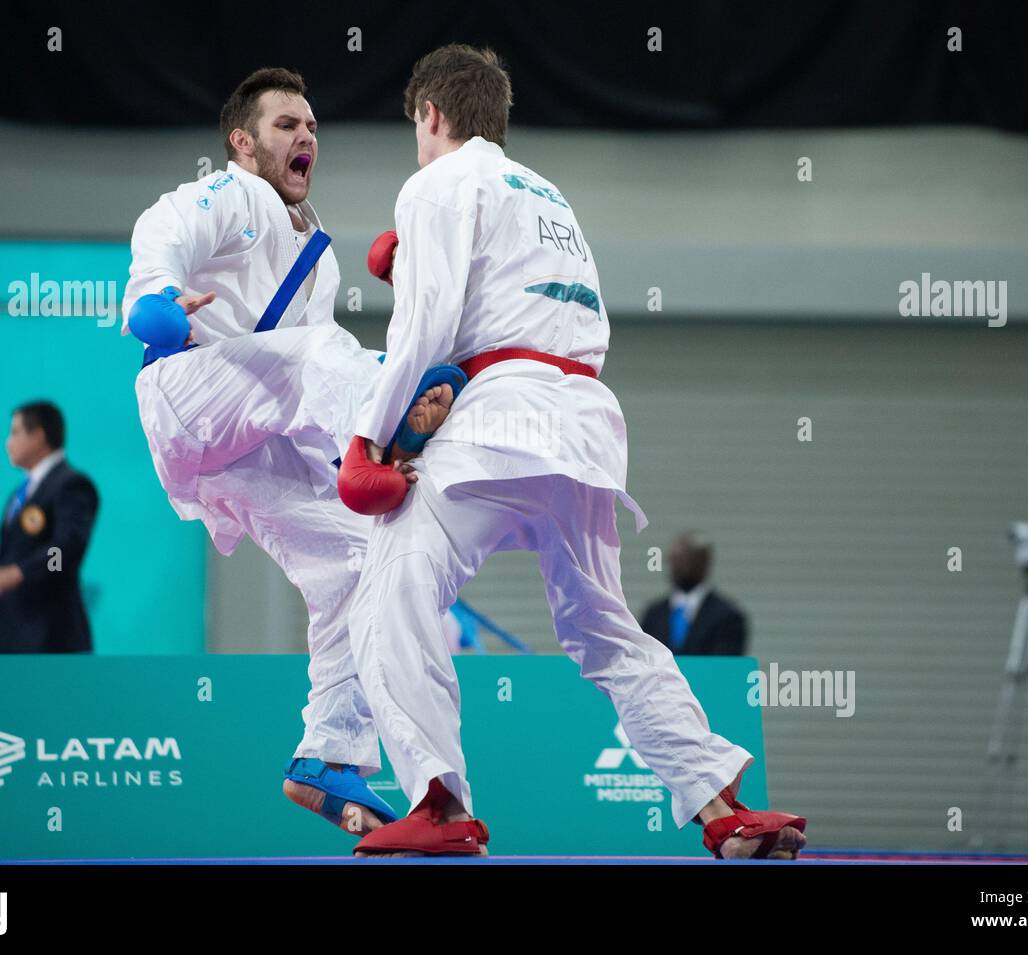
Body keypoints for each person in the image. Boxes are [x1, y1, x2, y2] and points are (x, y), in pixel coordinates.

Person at [338, 45, 806, 859]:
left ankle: (439, 801)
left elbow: (424, 328)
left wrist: (367, 440)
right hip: (583, 427)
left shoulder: (437, 183)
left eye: (416, 125)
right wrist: (410, 267)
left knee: (390, 588)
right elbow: (526, 309)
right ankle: (722, 806)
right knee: (603, 625)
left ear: (431, 115)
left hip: (498, 426)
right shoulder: (550, 198)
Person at [122, 67, 455, 838]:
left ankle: (327, 755)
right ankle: (390, 423)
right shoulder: (225, 196)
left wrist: (347, 467)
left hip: (248, 436)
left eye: (311, 126)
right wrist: (157, 300)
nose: (306, 136)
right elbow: (162, 239)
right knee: (320, 354)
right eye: (285, 125)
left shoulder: (318, 252)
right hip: (186, 394)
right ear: (243, 142)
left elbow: (301, 392)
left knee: (357, 560)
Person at [0, 401, 99, 654]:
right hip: (11, 639)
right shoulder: (18, 495)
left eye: (15, 433)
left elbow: (66, 548)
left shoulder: (71, 485)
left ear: (38, 436)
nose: (8, 443)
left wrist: (20, 572)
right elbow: (5, 562)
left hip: (51, 637)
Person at [641, 533, 749, 656]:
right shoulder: (653, 615)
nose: (677, 566)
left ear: (703, 562)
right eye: (674, 559)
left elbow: (725, 662)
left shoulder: (728, 617)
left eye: (684, 559)